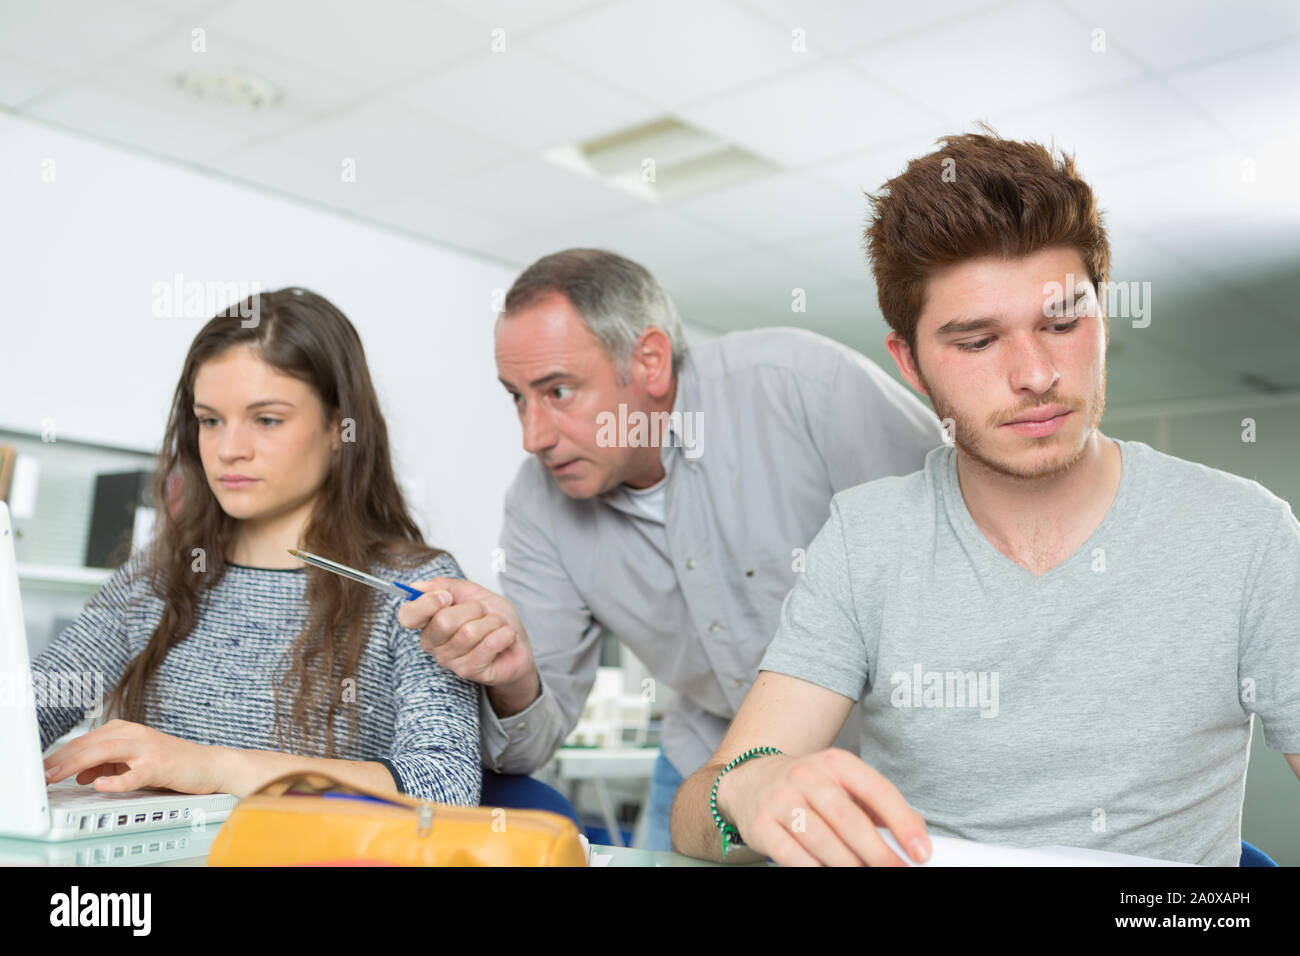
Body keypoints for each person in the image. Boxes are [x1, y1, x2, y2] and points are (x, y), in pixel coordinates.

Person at [669, 131, 1300, 866]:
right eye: (976, 342)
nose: (1035, 373)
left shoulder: (1246, 533)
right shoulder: (866, 538)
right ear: (910, 363)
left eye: (1063, 324)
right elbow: (697, 807)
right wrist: (744, 791)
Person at [397, 249, 943, 849]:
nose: (534, 436)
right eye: (517, 398)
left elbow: (958, 533)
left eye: (557, 391)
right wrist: (513, 675)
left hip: (888, 764)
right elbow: (530, 743)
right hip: (704, 769)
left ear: (650, 362)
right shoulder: (536, 510)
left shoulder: (800, 384)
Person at [37, 288, 481, 805]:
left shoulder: (414, 586)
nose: (229, 450)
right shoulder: (159, 574)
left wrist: (213, 767)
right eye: (210, 420)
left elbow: (447, 784)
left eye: (267, 419)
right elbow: (32, 706)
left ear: (340, 429)